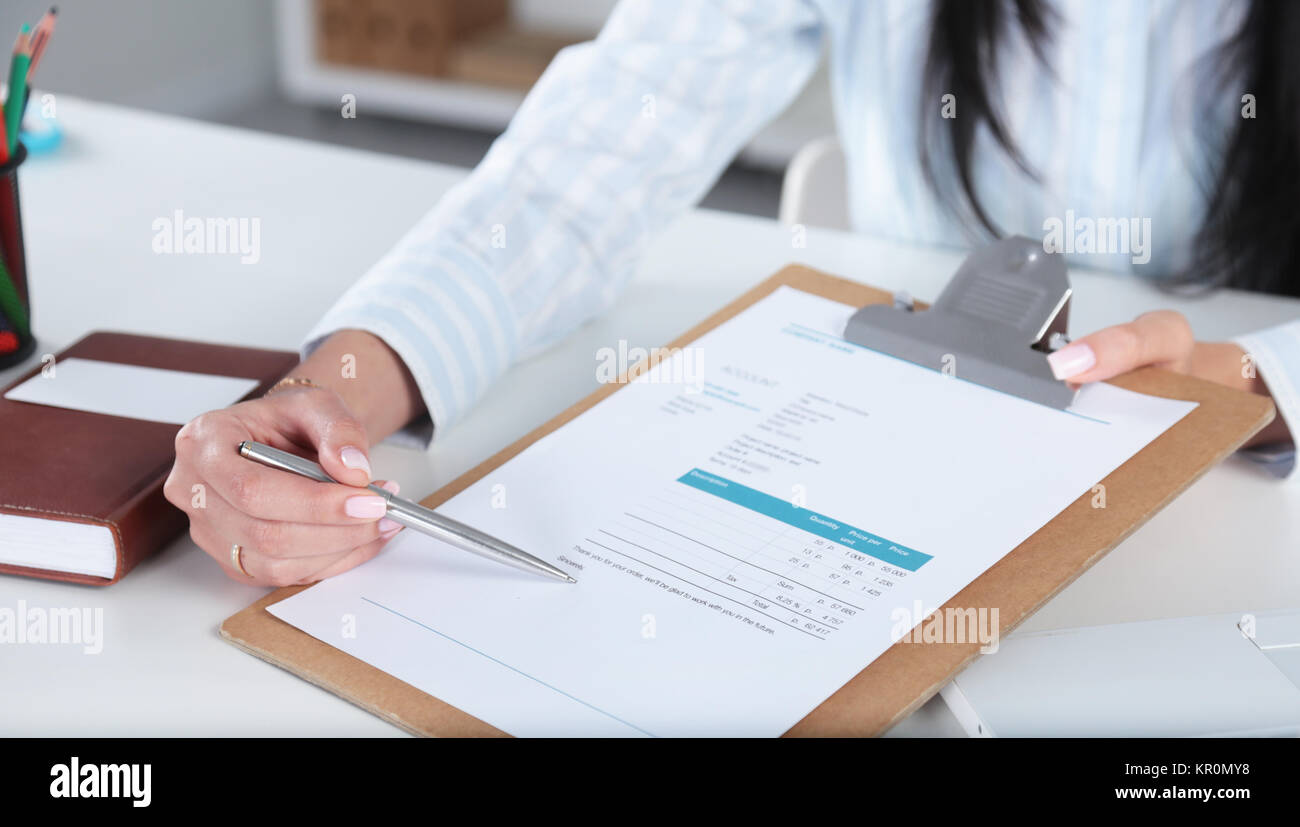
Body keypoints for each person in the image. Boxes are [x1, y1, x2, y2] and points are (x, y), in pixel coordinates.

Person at [164, 0, 1298, 586]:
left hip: (1242, 511)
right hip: (898, 475)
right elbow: (590, 156)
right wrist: (335, 391)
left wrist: (1261, 381)